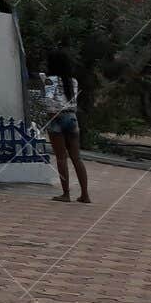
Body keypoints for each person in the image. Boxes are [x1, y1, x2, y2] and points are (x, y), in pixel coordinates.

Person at [42, 50, 89, 204]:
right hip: (72, 118)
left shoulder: (50, 80)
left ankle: (66, 194)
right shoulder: (73, 81)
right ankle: (85, 194)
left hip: (56, 118)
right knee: (77, 158)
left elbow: (49, 101)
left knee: (61, 158)